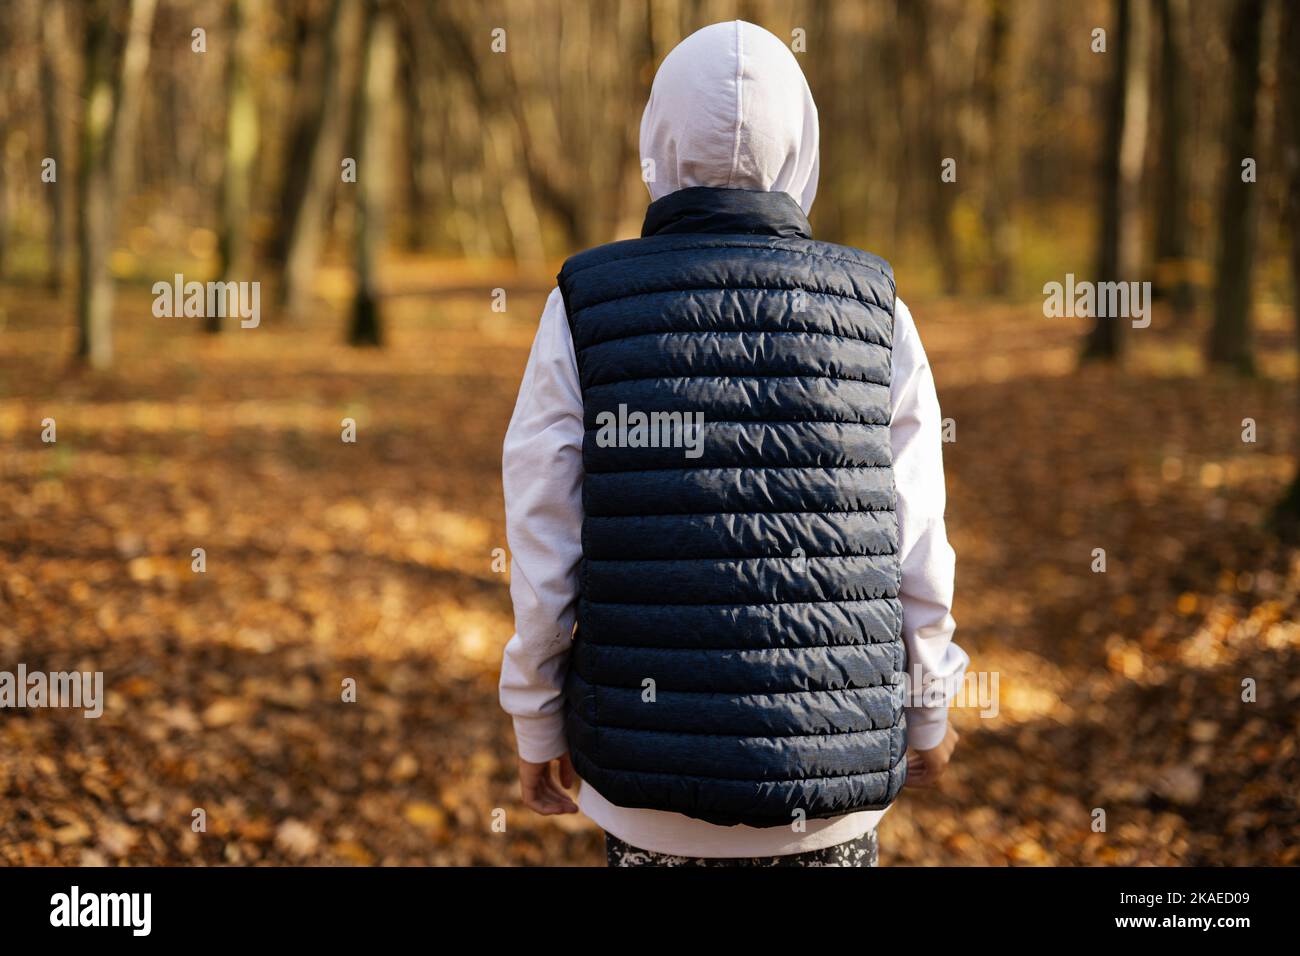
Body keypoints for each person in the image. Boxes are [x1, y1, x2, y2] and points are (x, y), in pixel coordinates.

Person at [498, 19, 967, 867]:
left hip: (647, 787)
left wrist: (536, 718)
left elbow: (543, 535)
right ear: (804, 143)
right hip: (830, 788)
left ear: (659, 137)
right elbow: (918, 543)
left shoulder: (585, 300)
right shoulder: (875, 308)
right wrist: (928, 706)